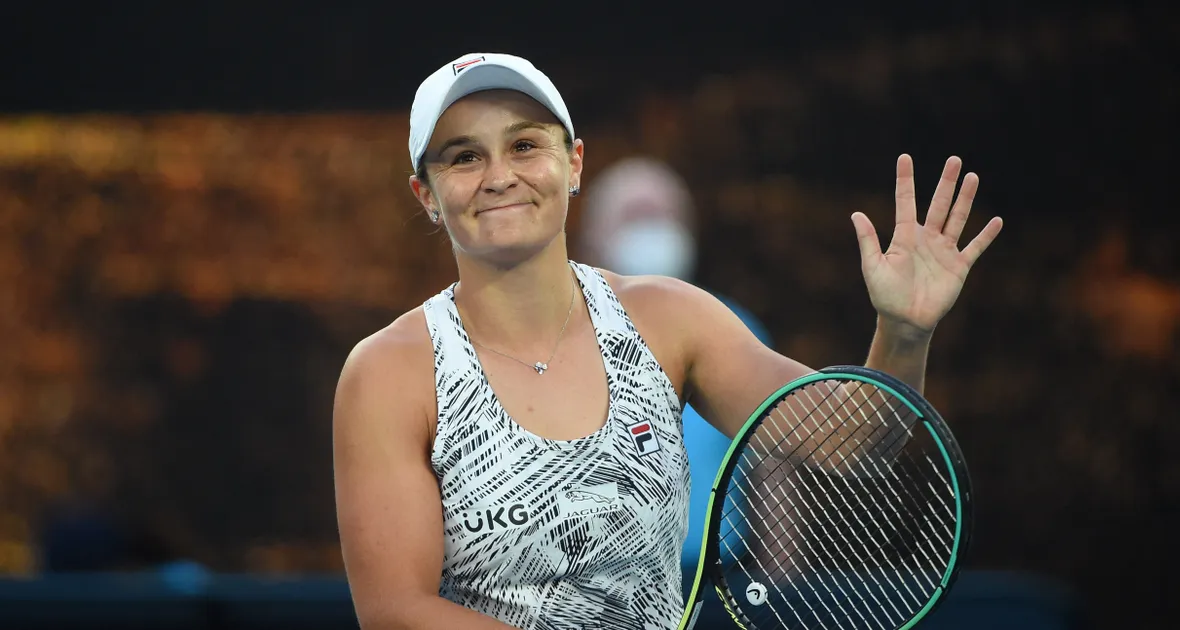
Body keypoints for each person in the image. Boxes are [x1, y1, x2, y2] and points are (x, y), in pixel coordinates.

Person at [331, 52, 1003, 630]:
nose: (500, 175)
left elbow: (855, 441)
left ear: (574, 163)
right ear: (426, 194)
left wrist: (904, 330)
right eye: (464, 156)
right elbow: (395, 613)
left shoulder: (670, 319)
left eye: (525, 145)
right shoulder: (388, 372)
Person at [578, 156, 773, 587]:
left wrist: (779, 591)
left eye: (665, 217)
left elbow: (774, 467)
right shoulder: (552, 337)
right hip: (593, 584)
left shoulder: (734, 329)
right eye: (636, 217)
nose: (653, 231)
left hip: (717, 578)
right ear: (591, 236)